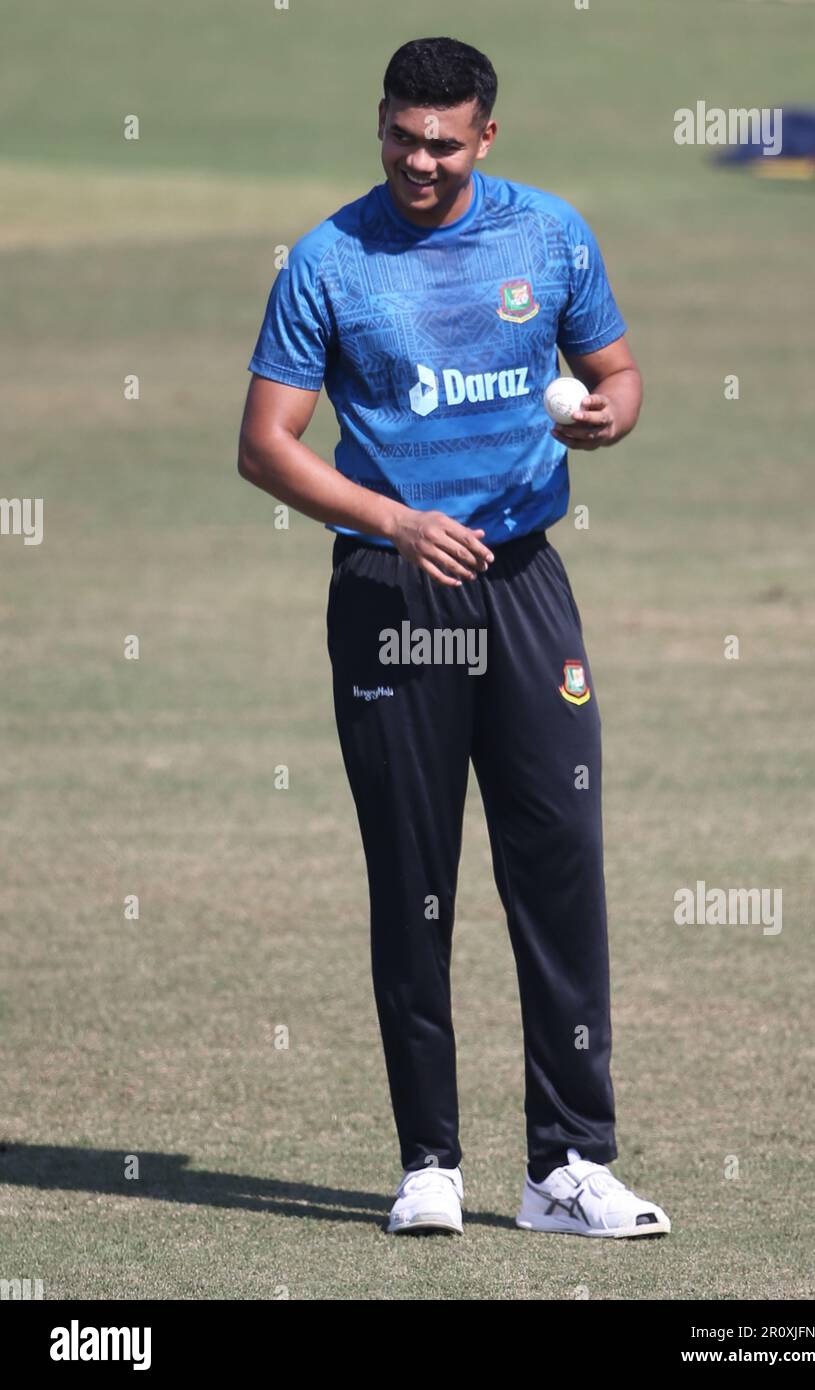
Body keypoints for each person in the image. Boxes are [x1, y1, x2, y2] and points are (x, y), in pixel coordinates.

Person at [238, 35, 671, 1240]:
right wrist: (396, 522)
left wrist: (605, 419)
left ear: (487, 137)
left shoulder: (549, 236)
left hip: (526, 586)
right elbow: (265, 442)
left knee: (559, 864)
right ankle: (428, 1159)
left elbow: (619, 371)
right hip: (392, 593)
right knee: (413, 878)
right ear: (378, 124)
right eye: (399, 135)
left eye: (443, 141)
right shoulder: (327, 259)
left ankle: (566, 1168)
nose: (418, 160)